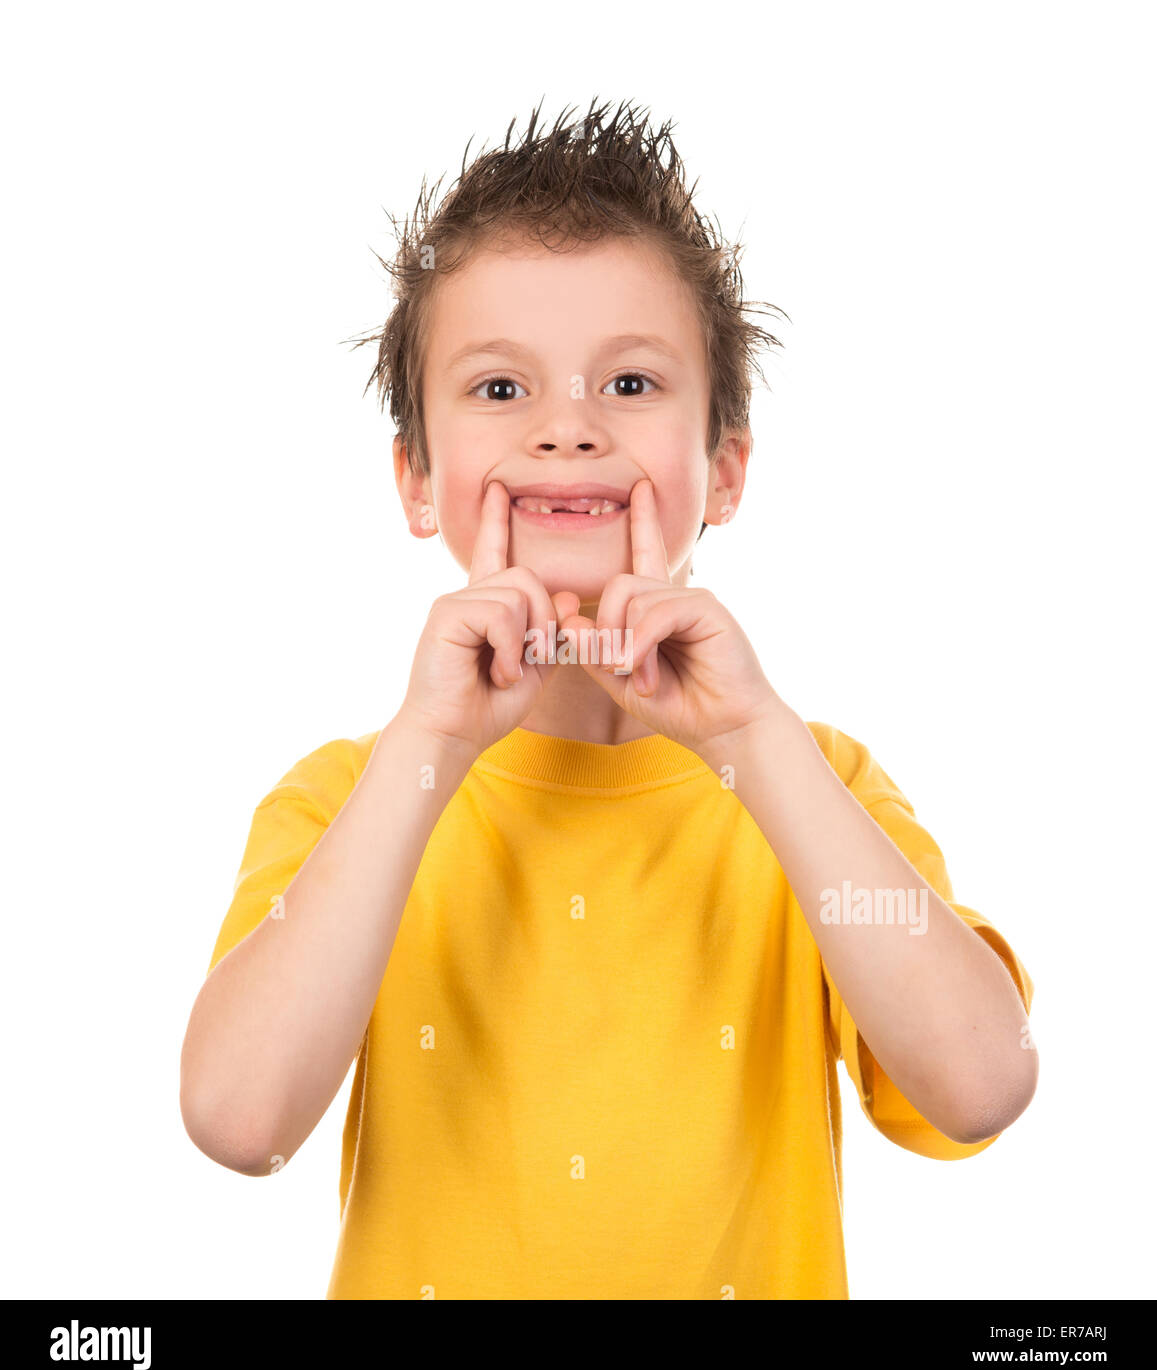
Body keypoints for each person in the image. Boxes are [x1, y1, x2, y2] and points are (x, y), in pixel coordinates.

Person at [179, 98, 1036, 1300]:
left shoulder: (811, 781)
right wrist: (429, 741)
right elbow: (235, 1117)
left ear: (724, 468)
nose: (568, 429)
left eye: (628, 381)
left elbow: (980, 1082)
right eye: (498, 390)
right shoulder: (344, 798)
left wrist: (751, 736)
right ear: (416, 481)